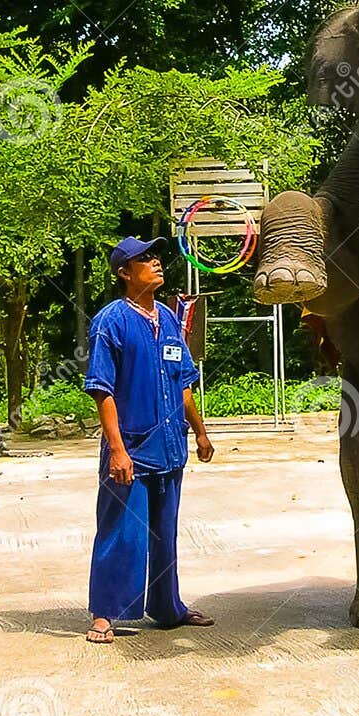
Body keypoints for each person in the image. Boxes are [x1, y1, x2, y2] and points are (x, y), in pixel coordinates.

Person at [83, 236, 216, 644]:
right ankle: (105, 613)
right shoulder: (110, 322)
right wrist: (117, 450)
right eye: (145, 258)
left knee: (164, 534)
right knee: (123, 531)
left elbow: (183, 383)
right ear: (125, 272)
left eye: (156, 256)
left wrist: (200, 432)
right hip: (133, 450)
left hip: (170, 448)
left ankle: (167, 607)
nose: (156, 262)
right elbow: (102, 389)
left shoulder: (170, 319)